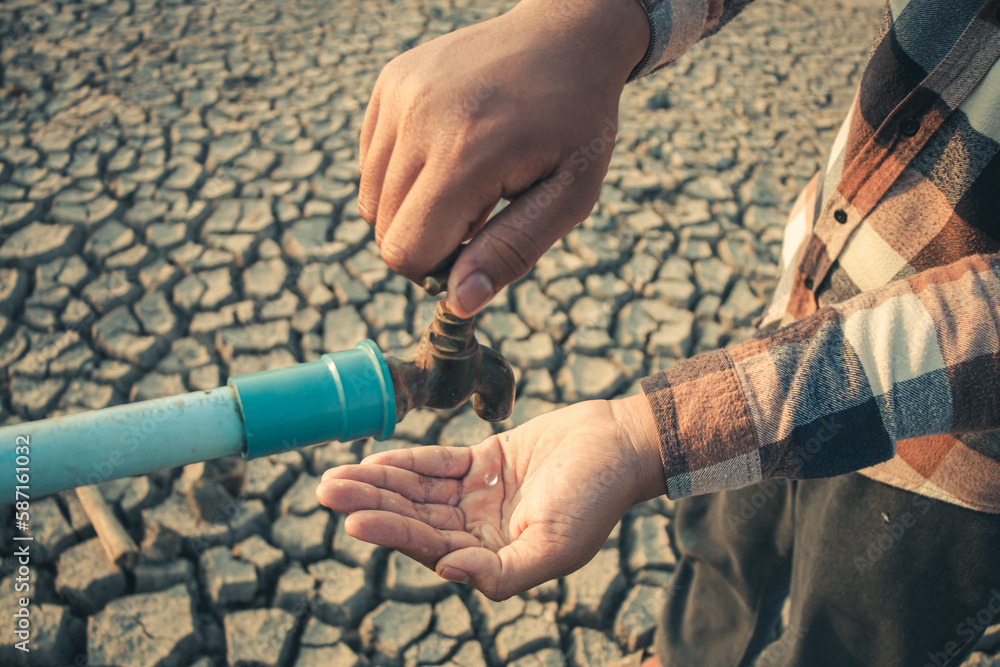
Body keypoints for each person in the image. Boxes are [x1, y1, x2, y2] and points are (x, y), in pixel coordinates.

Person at [315, 0, 1000, 664]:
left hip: (951, 451)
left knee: (851, 630)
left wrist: (648, 436)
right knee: (724, 551)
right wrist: (592, 21)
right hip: (802, 311)